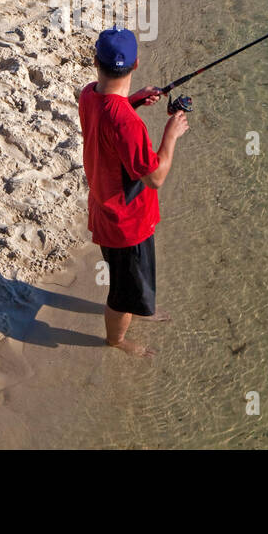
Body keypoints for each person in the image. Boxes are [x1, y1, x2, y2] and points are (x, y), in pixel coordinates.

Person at [77, 26, 188, 357]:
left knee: (134, 281)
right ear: (136, 64)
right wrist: (171, 134)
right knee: (121, 294)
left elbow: (109, 119)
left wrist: (135, 99)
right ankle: (116, 339)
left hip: (107, 208)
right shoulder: (127, 123)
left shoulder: (88, 95)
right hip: (126, 225)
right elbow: (155, 177)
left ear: (95, 61)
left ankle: (142, 305)